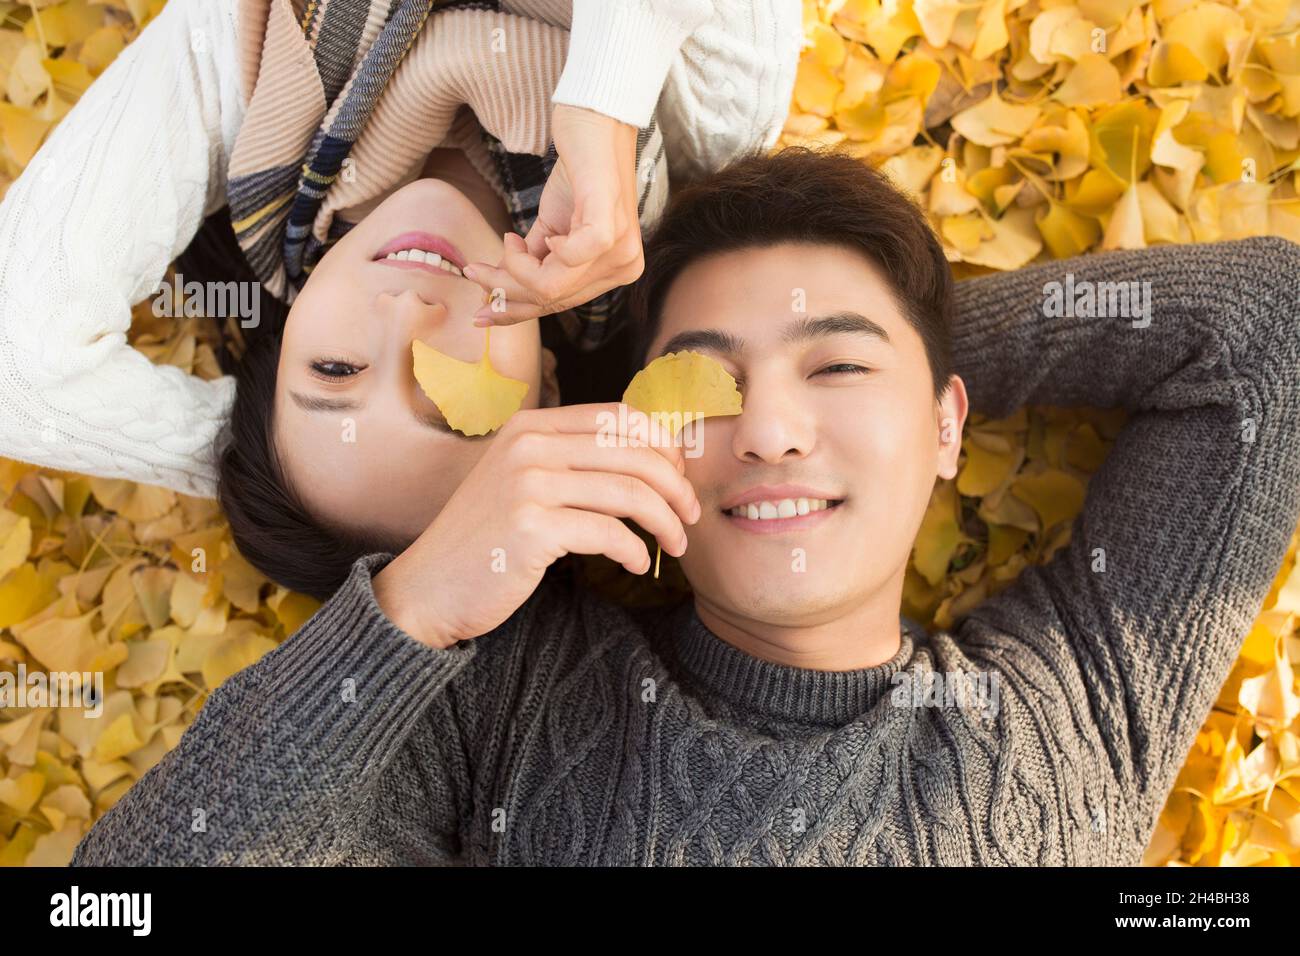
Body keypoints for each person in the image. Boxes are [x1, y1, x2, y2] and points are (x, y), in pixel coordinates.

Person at [69, 147, 1300, 865]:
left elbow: (1271, 334)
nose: (766, 429)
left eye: (835, 366)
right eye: (702, 384)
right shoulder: (499, 705)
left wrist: (910, 362)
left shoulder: (1080, 709)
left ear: (948, 426)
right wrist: (410, 612)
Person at [0, 0, 802, 597]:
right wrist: (604, 103)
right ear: (550, 394)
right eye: (454, 404)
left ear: (290, 328)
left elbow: (15, 363)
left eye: (336, 366)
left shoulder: (258, 80)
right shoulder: (709, 122)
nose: (407, 315)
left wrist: (255, 469)